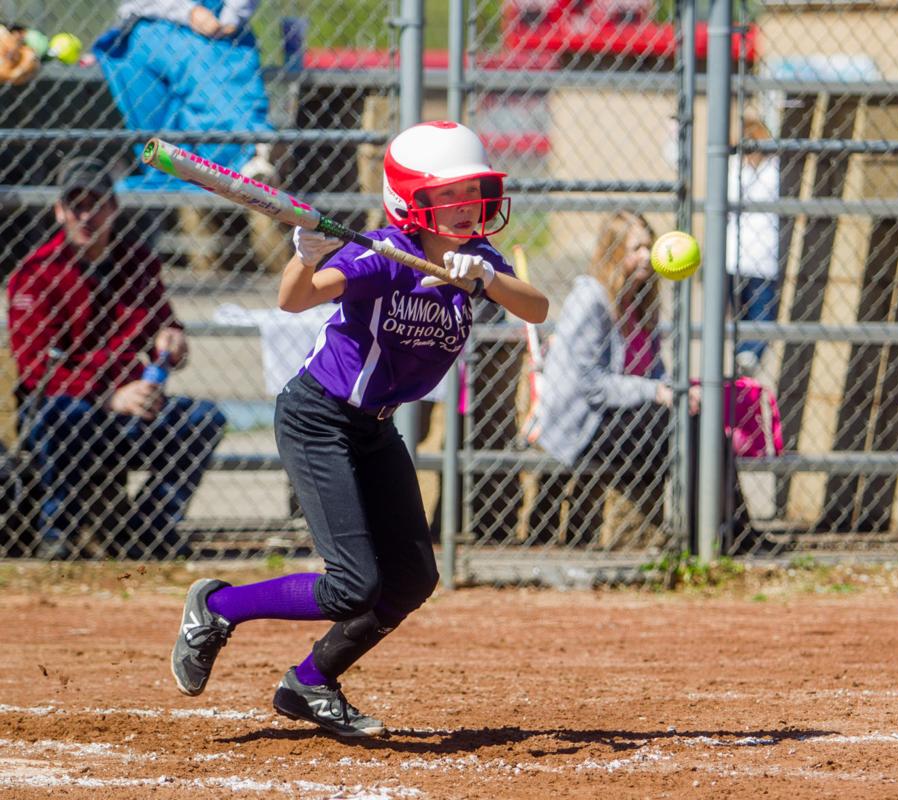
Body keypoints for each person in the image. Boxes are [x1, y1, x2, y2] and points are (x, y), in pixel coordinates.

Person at [170, 121, 548, 738]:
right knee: (353, 584)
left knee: (413, 578)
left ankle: (310, 683)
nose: (467, 208)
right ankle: (215, 607)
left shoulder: (476, 259)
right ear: (409, 203)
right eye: (448, 197)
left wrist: (485, 280)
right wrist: (304, 256)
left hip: (373, 426)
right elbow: (294, 300)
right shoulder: (379, 256)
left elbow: (536, 307)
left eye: (473, 194)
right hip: (319, 418)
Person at [7, 157, 227, 560]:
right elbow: (36, 370)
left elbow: (166, 326)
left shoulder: (137, 264)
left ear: (114, 208)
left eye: (97, 203)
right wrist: (108, 396)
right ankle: (58, 531)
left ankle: (146, 528)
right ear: (60, 210)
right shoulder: (37, 272)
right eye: (76, 204)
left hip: (131, 408)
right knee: (63, 414)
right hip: (64, 407)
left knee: (203, 419)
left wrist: (172, 342)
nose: (87, 214)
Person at [533, 211, 756, 553]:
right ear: (613, 250)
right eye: (636, 248)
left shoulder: (640, 300)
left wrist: (678, 391)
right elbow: (590, 384)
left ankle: (730, 532)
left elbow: (654, 372)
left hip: (624, 416)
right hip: (585, 424)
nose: (647, 256)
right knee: (688, 427)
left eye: (649, 247)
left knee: (702, 421)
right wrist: (657, 392)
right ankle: (719, 538)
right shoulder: (591, 297)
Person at [92, 0, 275, 190]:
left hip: (221, 28)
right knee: (199, 64)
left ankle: (252, 153)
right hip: (158, 20)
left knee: (227, 63)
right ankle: (247, 154)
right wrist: (189, 12)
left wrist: (230, 18)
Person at [727, 117, 782, 374]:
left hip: (763, 256)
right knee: (737, 311)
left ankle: (748, 356)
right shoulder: (733, 167)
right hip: (733, 255)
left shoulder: (774, 170)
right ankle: (739, 355)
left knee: (762, 311)